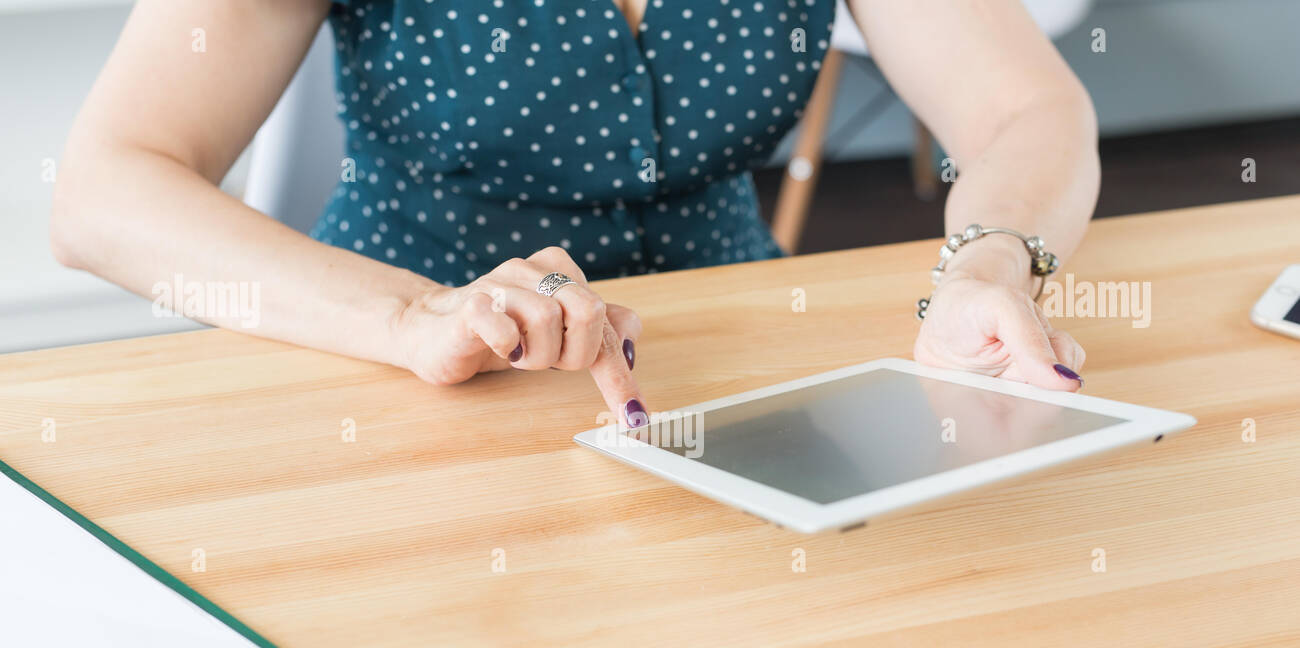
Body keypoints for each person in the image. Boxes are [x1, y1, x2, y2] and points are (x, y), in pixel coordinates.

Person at [51, 0, 1098, 427]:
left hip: (724, 374)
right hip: (408, 381)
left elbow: (1027, 107)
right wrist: (416, 318)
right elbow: (105, 190)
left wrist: (989, 263)